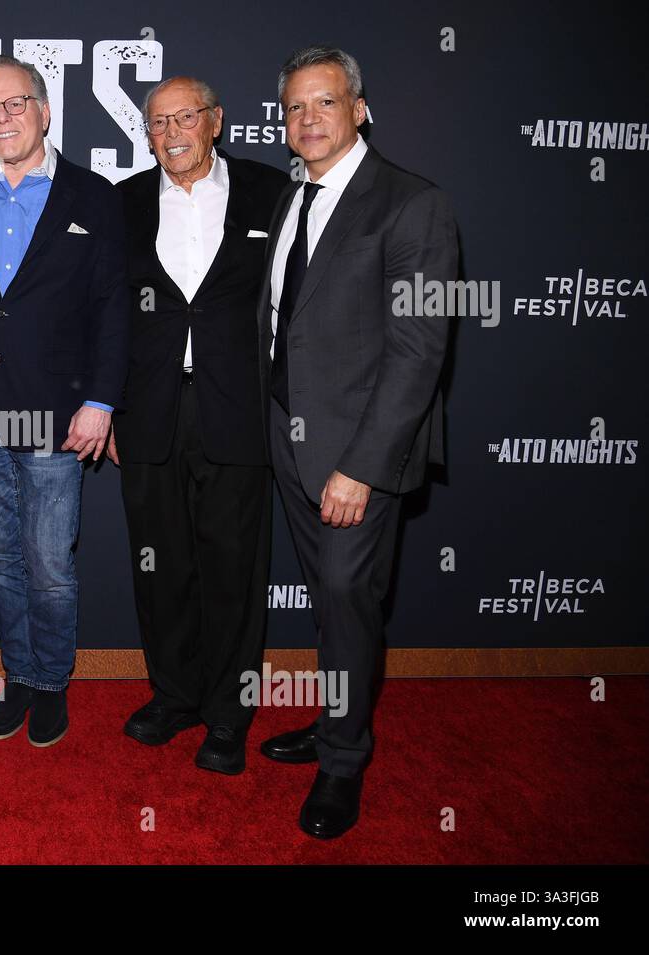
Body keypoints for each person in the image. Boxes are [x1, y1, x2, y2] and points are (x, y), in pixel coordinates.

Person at [257, 46, 458, 838]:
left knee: (346, 593)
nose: (308, 119)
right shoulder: (291, 196)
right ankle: (334, 718)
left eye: (326, 102)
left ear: (360, 109)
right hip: (289, 435)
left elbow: (418, 352)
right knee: (333, 602)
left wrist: (362, 468)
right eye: (295, 107)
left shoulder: (414, 204)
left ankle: (343, 761)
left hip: (355, 454)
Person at [110, 77, 287, 774]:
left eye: (185, 117)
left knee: (235, 571)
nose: (172, 132)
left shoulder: (271, 192)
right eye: (158, 122)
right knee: (160, 566)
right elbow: (105, 313)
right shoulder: (122, 201)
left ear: (215, 121)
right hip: (148, 411)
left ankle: (228, 714)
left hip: (238, 410)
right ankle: (174, 695)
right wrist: (106, 405)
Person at [0, 54, 129, 747]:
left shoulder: (93, 195)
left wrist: (103, 401)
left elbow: (114, 306)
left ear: (45, 111)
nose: (1, 118)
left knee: (51, 566)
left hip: (60, 415)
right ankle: (20, 673)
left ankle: (53, 681)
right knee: (1, 561)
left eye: (14, 103)